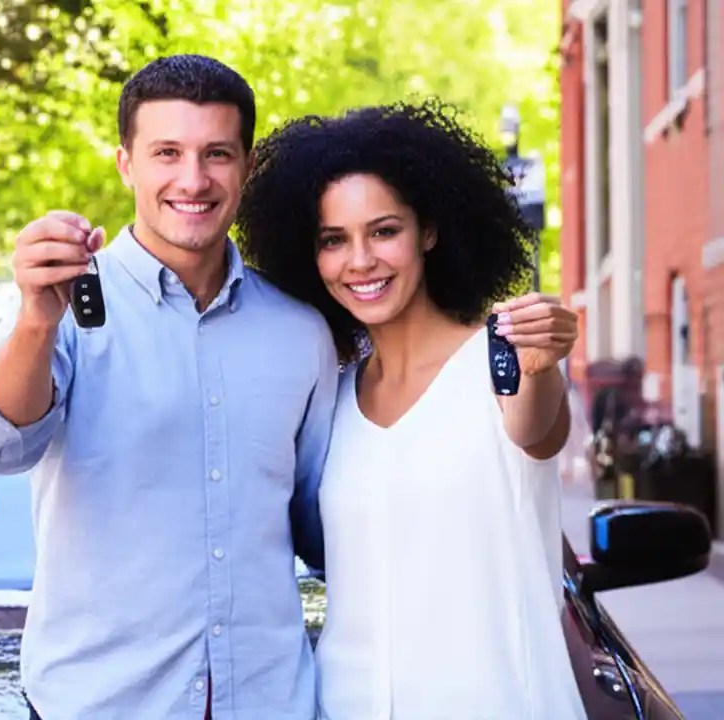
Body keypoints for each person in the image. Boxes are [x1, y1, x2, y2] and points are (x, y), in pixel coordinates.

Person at [0, 54, 339, 719]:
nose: (193, 179)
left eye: (216, 154)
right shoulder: (60, 311)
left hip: (269, 702)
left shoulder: (301, 334)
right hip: (101, 704)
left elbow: (324, 529)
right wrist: (37, 323)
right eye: (168, 152)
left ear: (245, 166)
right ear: (127, 162)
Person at [236, 99, 588, 719]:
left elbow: (536, 430)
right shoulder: (333, 397)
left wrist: (540, 366)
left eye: (384, 230)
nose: (361, 261)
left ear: (428, 229)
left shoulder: (502, 363)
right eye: (333, 240)